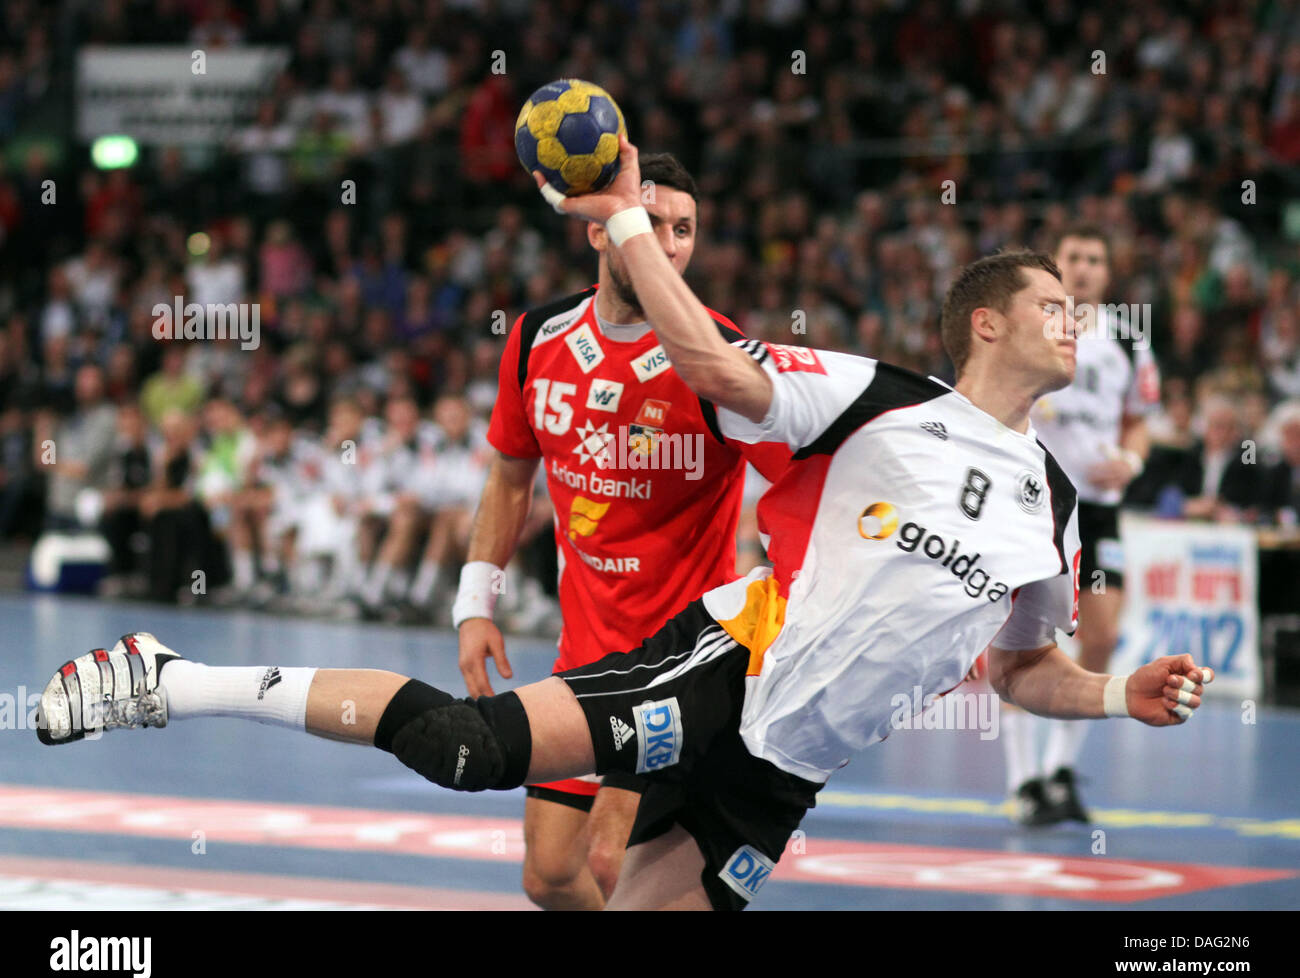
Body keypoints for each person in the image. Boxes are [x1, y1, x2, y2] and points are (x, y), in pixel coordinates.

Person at [36, 140, 1212, 911]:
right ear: (987, 328)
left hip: (784, 772)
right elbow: (703, 360)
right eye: (1053, 305)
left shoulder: (1050, 502)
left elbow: (1021, 672)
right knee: (469, 750)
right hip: (721, 668)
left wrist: (1117, 694)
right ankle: (173, 676)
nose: (1079, 323)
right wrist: (629, 219)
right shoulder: (879, 400)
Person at [455, 153, 785, 910]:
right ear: (602, 231)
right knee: (547, 877)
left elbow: (801, 474)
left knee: (610, 863)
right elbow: (510, 476)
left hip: (680, 665)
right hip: (582, 655)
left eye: (685, 230)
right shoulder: (539, 336)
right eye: (652, 223)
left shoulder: (719, 357)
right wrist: (476, 604)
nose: (668, 245)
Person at [999, 225, 1160, 826]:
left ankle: (1062, 769)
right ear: (1056, 265)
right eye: (1075, 258)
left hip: (1095, 505)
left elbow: (1138, 419)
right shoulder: (1034, 327)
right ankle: (1024, 783)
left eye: (1096, 259)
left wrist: (1133, 461)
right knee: (1020, 639)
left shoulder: (1127, 338)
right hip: (1032, 500)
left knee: (1103, 633)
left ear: (1107, 272)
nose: (1085, 268)